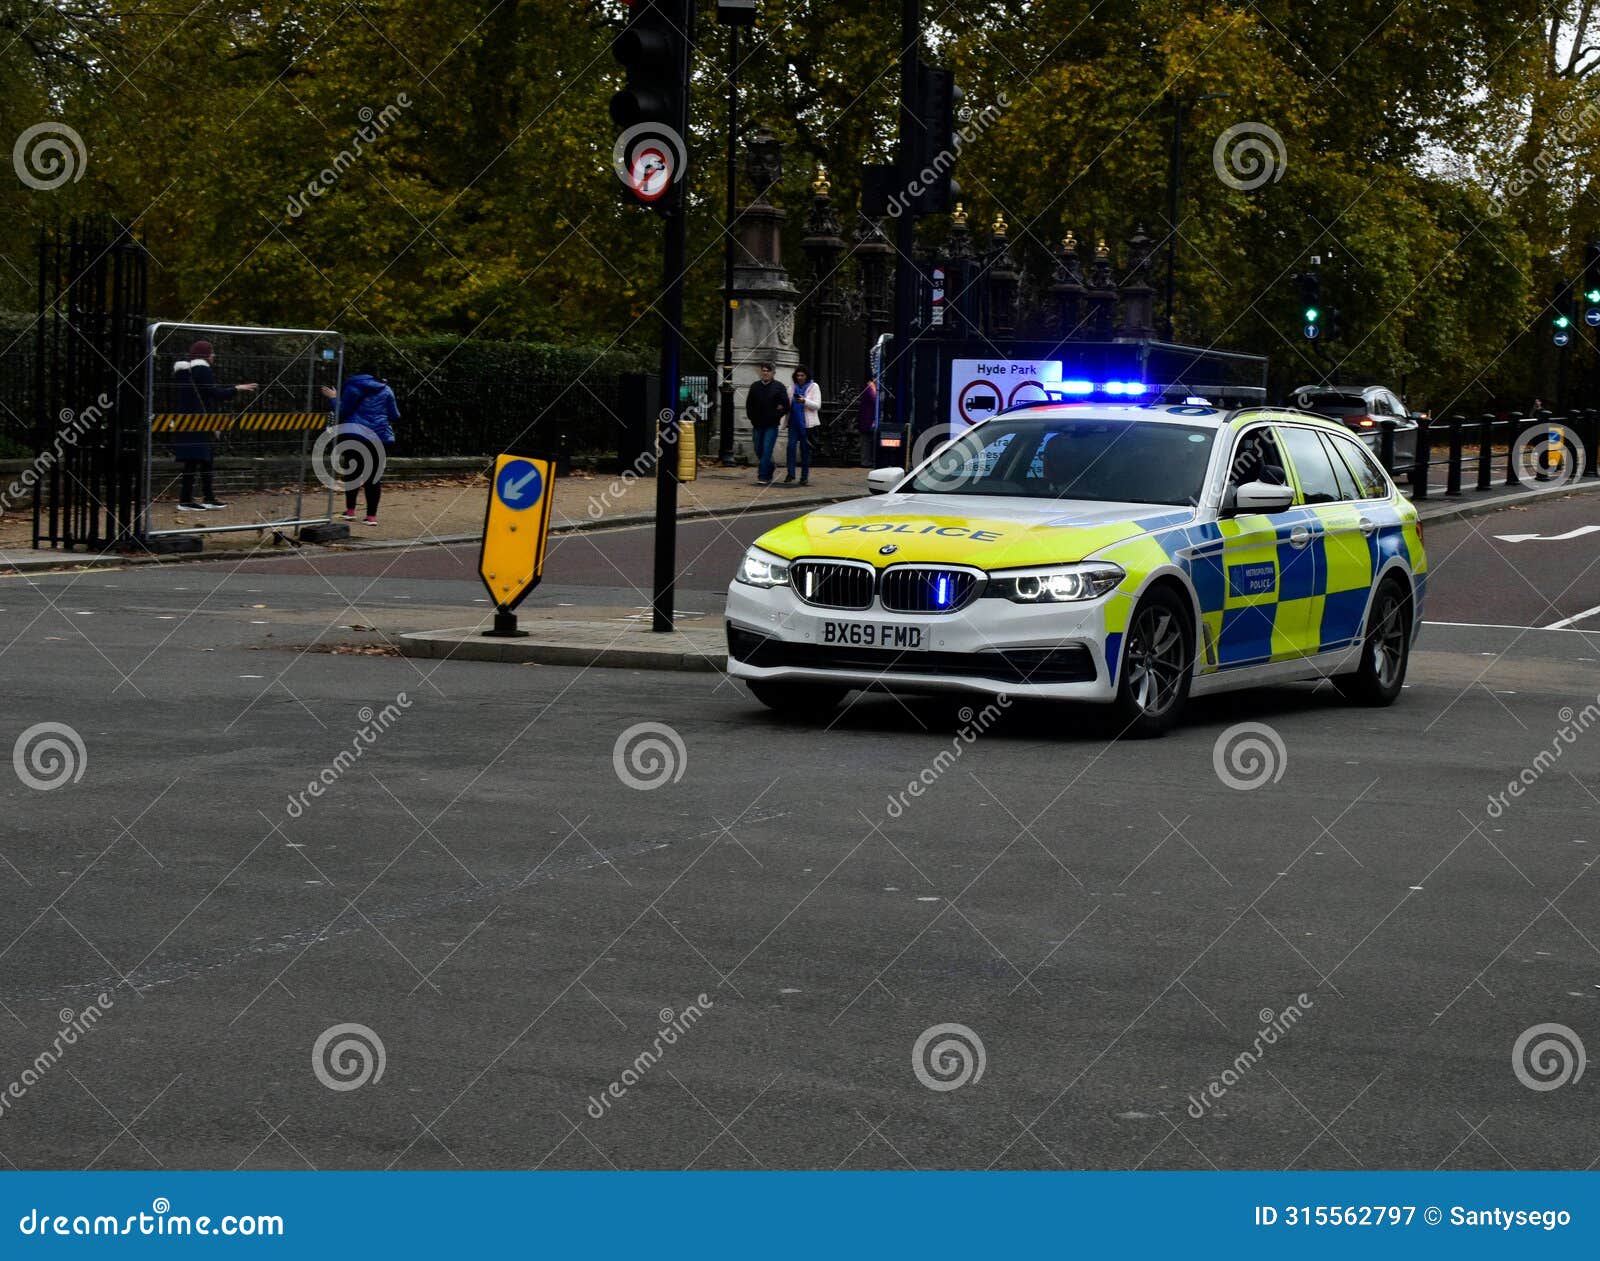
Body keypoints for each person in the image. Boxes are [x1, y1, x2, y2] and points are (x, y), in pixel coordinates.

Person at [172, 340, 257, 511]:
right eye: (211, 352)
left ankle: (207, 497)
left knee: (203, 461)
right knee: (196, 461)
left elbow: (199, 399)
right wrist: (237, 388)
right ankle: (186, 500)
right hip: (198, 423)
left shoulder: (187, 372)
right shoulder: (203, 370)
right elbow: (214, 394)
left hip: (189, 421)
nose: (214, 355)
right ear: (204, 355)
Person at [321, 370, 398, 524]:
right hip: (379, 437)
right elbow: (395, 415)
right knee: (374, 476)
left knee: (353, 473)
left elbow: (342, 411)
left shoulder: (353, 387)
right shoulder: (386, 389)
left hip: (355, 435)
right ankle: (371, 517)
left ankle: (350, 511)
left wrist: (334, 398)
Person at [744, 361, 787, 484]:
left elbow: (785, 405)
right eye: (763, 370)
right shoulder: (755, 386)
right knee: (759, 449)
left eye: (768, 371)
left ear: (773, 373)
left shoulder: (779, 387)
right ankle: (770, 466)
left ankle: (762, 476)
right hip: (757, 424)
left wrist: (776, 415)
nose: (765, 373)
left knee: (767, 449)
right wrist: (752, 417)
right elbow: (749, 404)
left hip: (771, 425)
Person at [785, 366, 820, 486]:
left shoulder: (813, 386)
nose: (799, 378)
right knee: (790, 447)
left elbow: (817, 405)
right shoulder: (791, 387)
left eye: (802, 375)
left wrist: (804, 401)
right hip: (793, 422)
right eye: (798, 375)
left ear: (806, 376)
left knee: (805, 450)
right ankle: (791, 473)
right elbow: (787, 403)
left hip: (807, 424)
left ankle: (804, 477)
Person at [856, 374, 878, 467]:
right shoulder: (869, 389)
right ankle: (866, 461)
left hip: (868, 419)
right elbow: (874, 401)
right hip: (867, 420)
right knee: (866, 441)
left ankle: (868, 460)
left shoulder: (871, 389)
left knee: (869, 441)